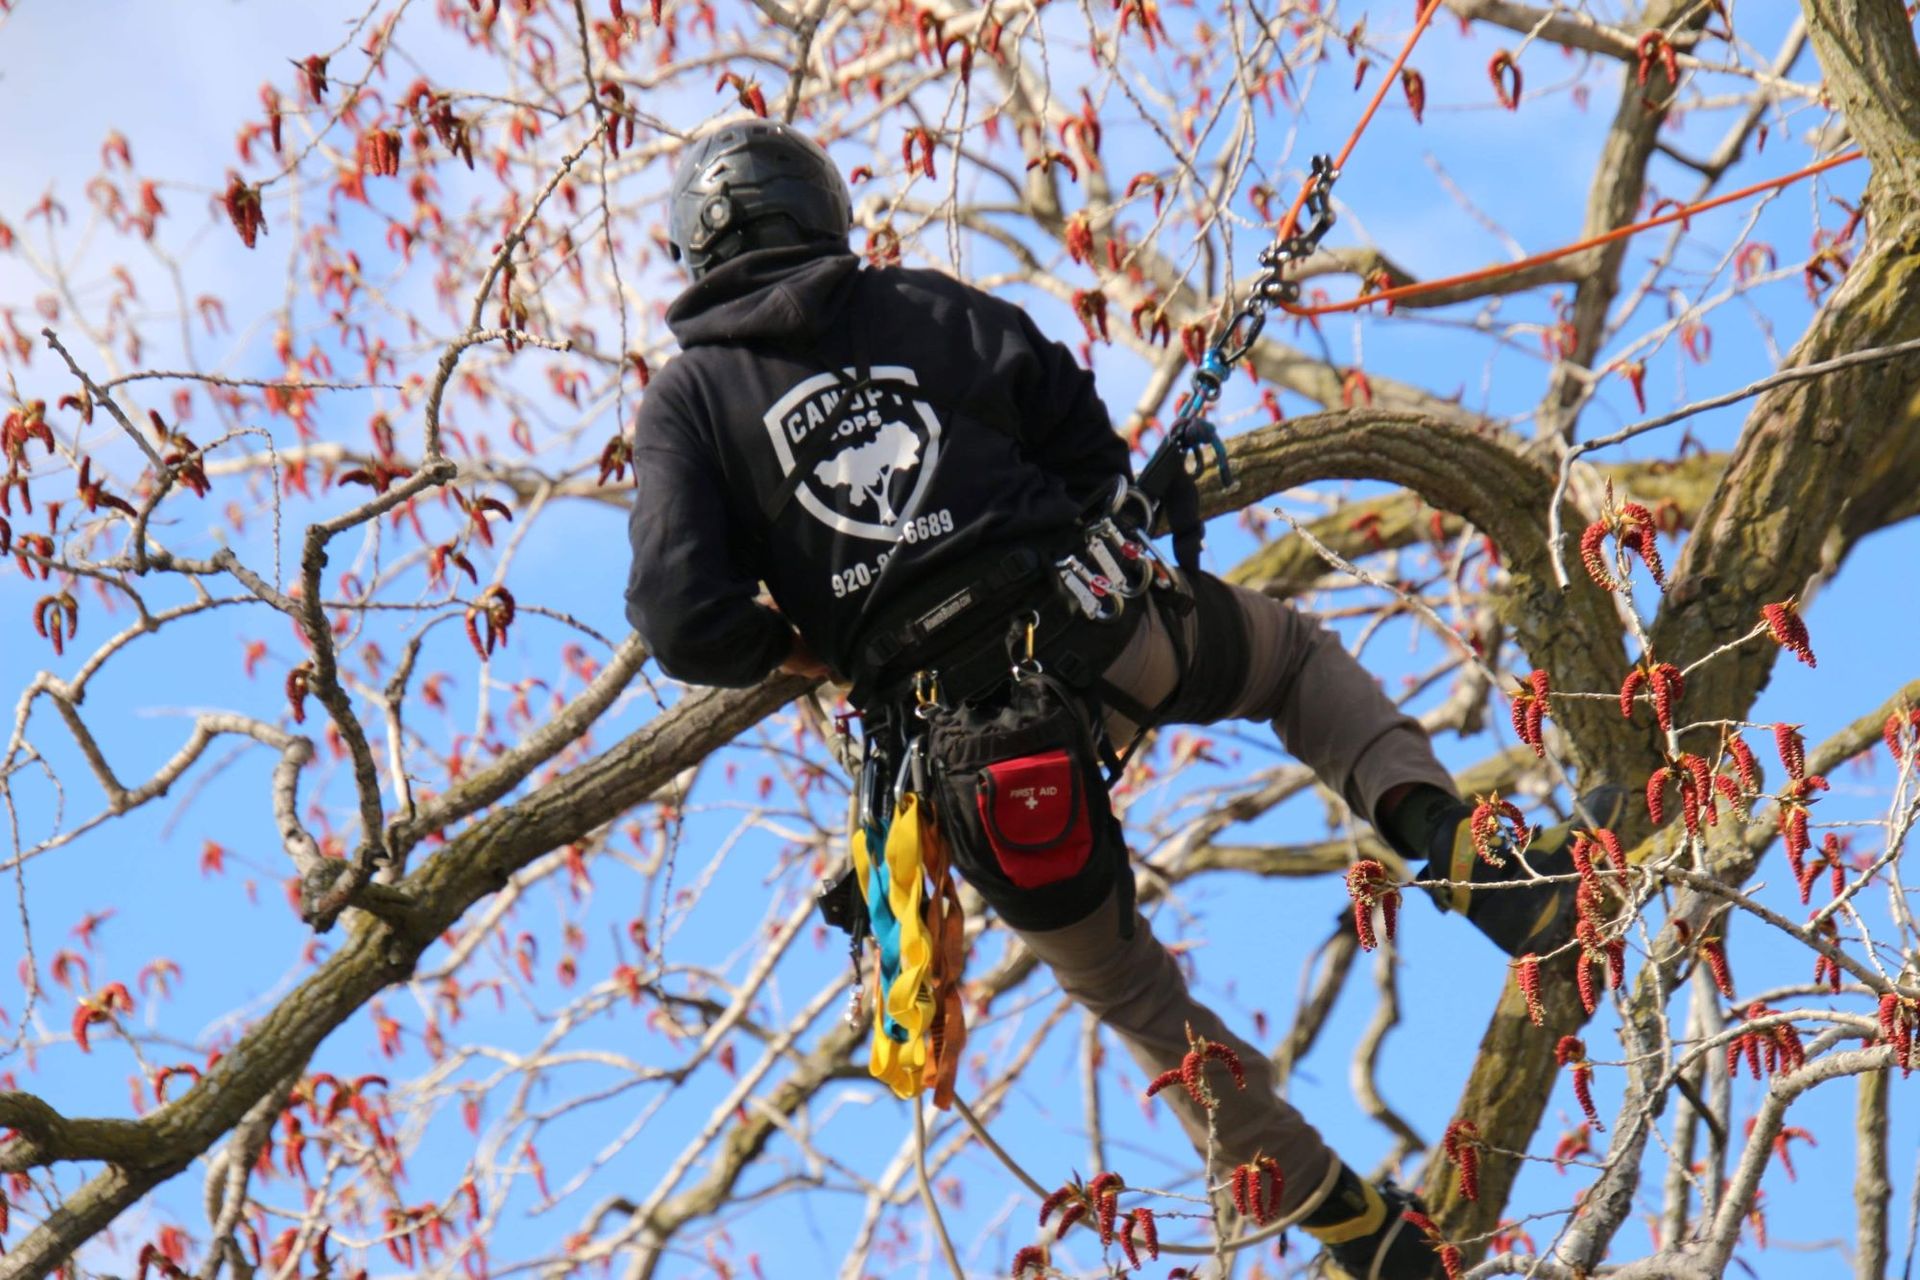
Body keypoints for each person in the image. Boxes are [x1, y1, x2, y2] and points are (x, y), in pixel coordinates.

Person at [624, 118, 1607, 1280]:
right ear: (821, 207)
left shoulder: (689, 401)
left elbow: (681, 617)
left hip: (967, 761)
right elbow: (1085, 446)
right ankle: (1478, 862)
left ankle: (1361, 1236)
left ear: (698, 251)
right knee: (1291, 662)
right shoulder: (926, 304)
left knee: (1133, 994)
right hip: (1098, 630)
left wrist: (812, 648)